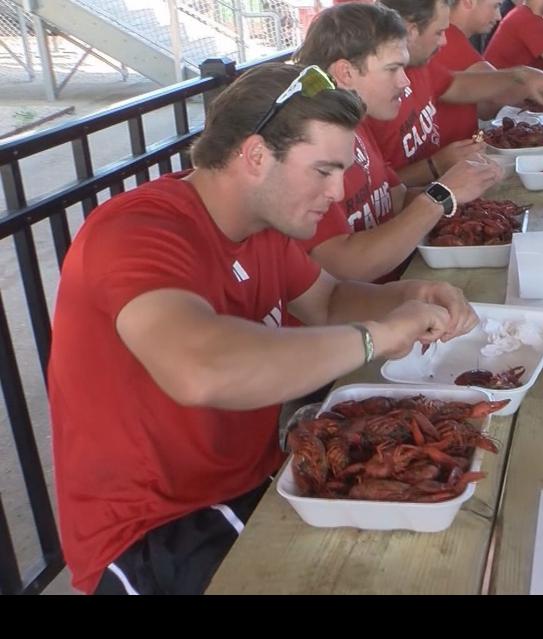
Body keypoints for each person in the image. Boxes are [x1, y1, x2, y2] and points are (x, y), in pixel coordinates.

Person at [46, 63, 476, 595]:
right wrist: (376, 336)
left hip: (259, 483)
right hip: (156, 532)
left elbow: (329, 299)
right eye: (322, 171)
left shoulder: (263, 222)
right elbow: (200, 369)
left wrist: (412, 297)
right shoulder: (137, 232)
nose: (339, 192)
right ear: (254, 155)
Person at [290, 2, 504, 282]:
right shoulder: (304, 149)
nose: (404, 82)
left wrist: (466, 192)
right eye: (392, 69)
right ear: (345, 73)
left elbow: (397, 197)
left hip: (406, 279)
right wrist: (442, 195)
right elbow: (344, 265)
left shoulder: (356, 123)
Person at [372, 0, 543, 186]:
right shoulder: (370, 97)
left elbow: (457, 85)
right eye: (439, 32)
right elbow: (381, 190)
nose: (443, 42)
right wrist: (435, 165)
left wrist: (522, 76)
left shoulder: (418, 65)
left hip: (452, 181)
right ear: (411, 32)